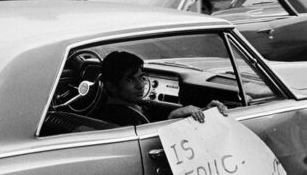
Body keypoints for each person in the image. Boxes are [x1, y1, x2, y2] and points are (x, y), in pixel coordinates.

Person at [92, 51, 228, 126]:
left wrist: (204, 112)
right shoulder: (121, 118)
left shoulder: (128, 108)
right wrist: (172, 116)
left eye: (141, 77)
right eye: (129, 80)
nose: (140, 85)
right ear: (111, 85)